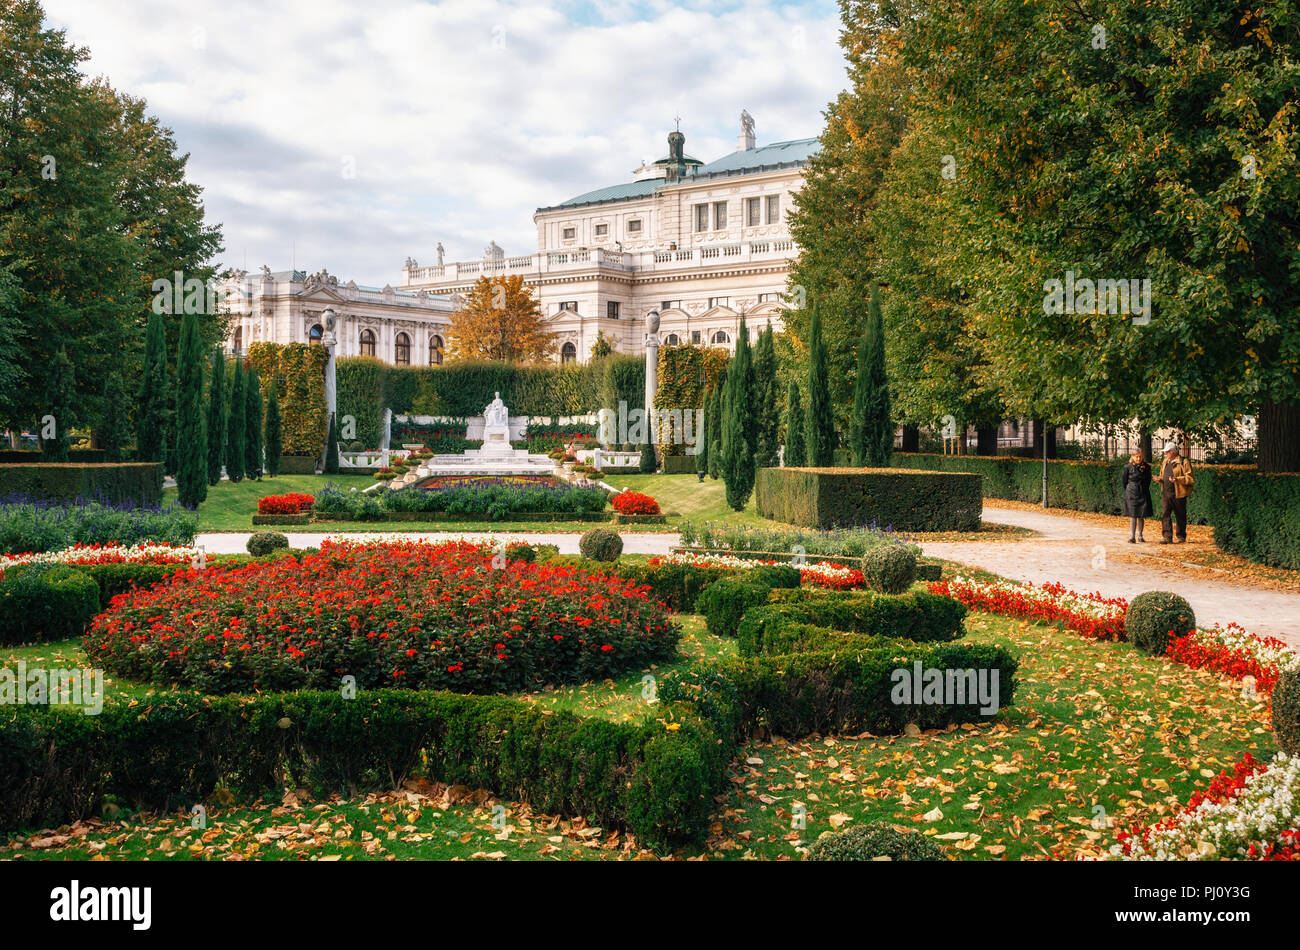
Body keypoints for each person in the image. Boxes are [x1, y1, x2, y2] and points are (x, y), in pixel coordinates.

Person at [1158, 441, 1195, 544]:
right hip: (1166, 492)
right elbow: (1163, 476)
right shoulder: (1165, 461)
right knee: (1165, 514)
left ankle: (1181, 536)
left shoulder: (1184, 462)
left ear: (1173, 452)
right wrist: (1159, 479)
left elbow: (1190, 479)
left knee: (1180, 515)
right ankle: (1167, 537)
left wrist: (1177, 479)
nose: (1166, 454)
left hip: (1179, 493)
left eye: (1167, 452)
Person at [1121, 450, 1153, 542]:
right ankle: (1132, 536)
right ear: (1132, 457)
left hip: (1143, 492)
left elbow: (1148, 481)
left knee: (1141, 515)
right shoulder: (1127, 467)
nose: (1138, 458)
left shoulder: (1147, 467)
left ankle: (1140, 535)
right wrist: (1130, 489)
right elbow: (1124, 481)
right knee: (1133, 514)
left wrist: (1143, 489)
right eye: (1136, 456)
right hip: (1131, 492)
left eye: (1140, 456)